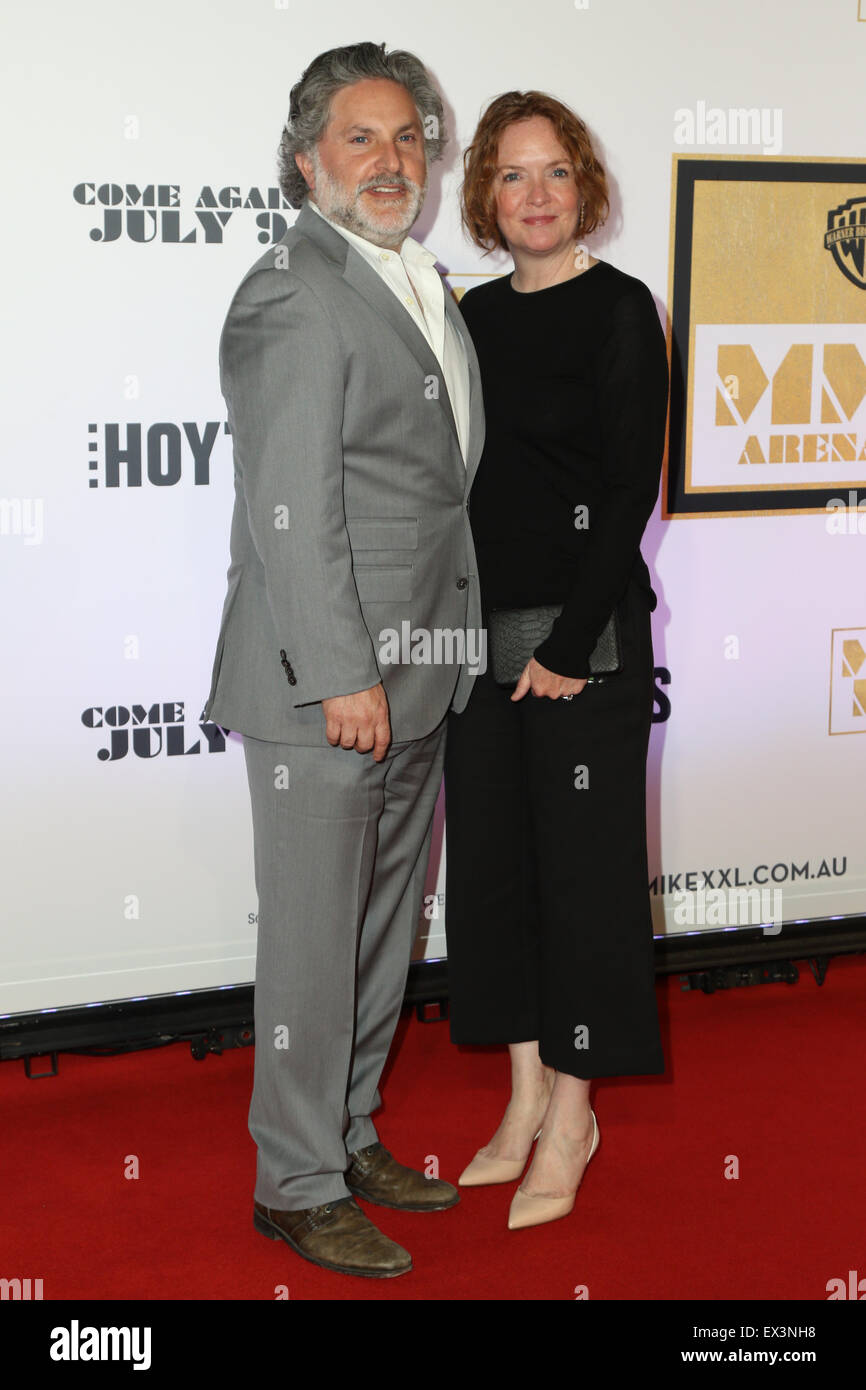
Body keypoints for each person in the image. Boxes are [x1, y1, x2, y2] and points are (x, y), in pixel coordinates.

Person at [202, 42, 485, 1279]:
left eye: (408, 138)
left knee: (378, 934)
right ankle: (295, 1182)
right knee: (313, 945)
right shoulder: (291, 289)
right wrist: (341, 674)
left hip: (417, 664)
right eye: (359, 139)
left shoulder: (420, 280)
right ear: (306, 158)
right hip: (331, 685)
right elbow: (292, 510)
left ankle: (350, 1134)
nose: (390, 160)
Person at [443, 91, 668, 1230]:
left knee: (579, 882)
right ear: (484, 193)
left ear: (582, 187)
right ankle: (525, 1090)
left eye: (554, 174)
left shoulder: (622, 309)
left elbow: (631, 486)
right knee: (495, 875)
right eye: (511, 175)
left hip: (585, 639)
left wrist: (569, 649)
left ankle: (575, 1110)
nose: (533, 195)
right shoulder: (469, 320)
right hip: (477, 639)